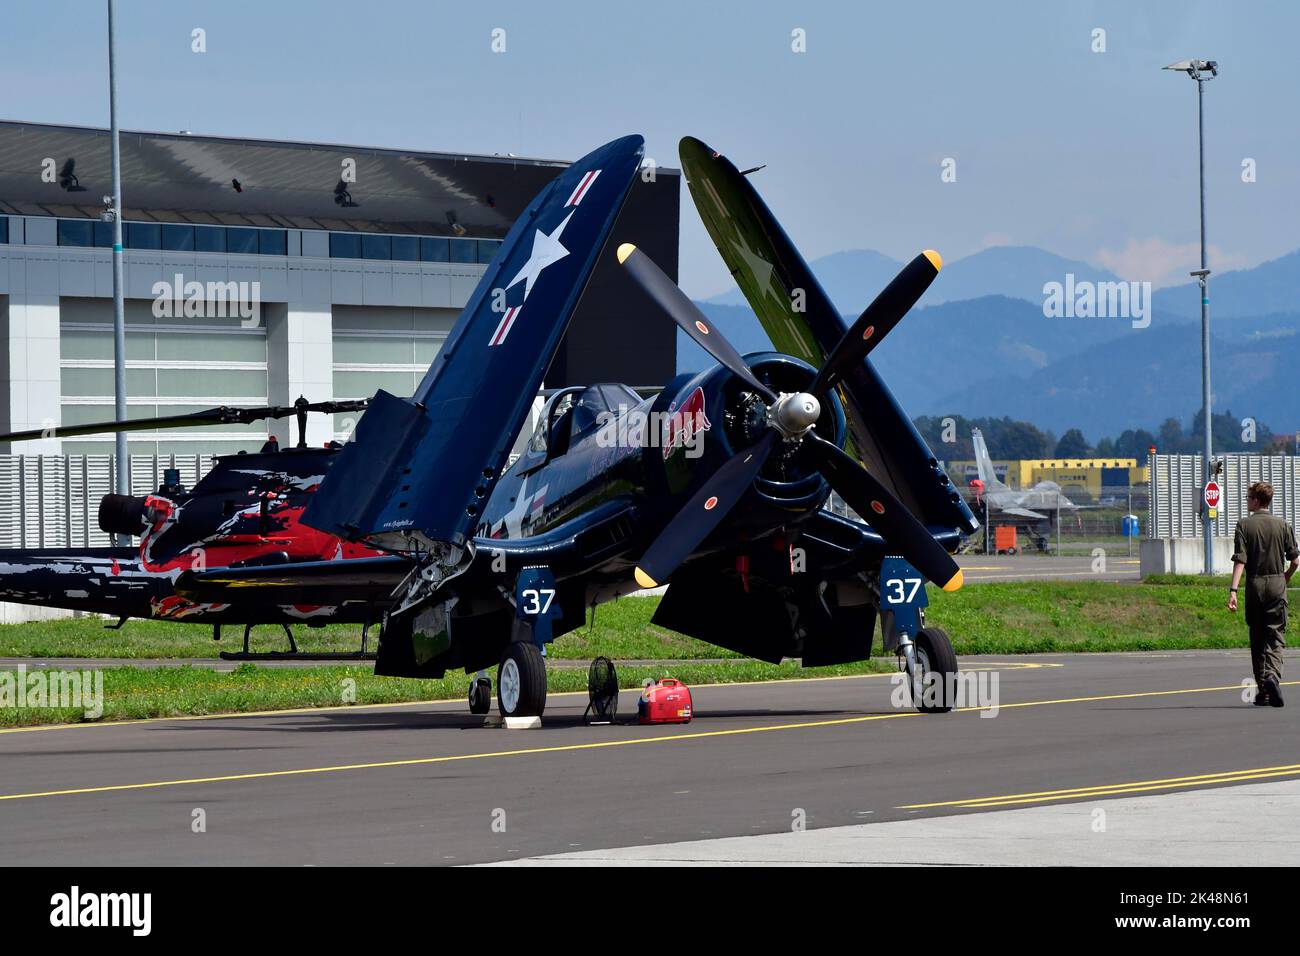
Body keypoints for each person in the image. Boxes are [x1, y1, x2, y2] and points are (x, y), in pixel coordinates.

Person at [1229, 481, 1299, 707]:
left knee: (1257, 638)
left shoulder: (1244, 525)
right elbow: (1295, 560)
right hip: (1277, 584)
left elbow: (1241, 560)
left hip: (1254, 586)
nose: (1247, 501)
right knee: (1276, 636)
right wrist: (1286, 576)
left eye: (1249, 498)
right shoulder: (1283, 525)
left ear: (1257, 500)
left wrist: (1233, 590)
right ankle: (1272, 677)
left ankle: (1263, 691)